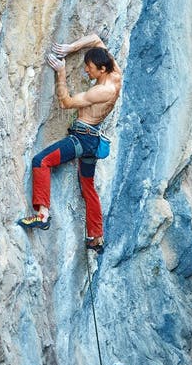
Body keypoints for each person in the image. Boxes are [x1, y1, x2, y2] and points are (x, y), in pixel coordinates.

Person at [17, 33, 122, 252]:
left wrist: (61, 73)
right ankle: (96, 237)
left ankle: (42, 215)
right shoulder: (114, 72)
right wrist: (70, 48)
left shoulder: (101, 91)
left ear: (102, 70)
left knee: (41, 161)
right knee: (88, 187)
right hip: (92, 141)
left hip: (81, 140)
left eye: (90, 68)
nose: (86, 70)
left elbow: (65, 103)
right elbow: (95, 40)